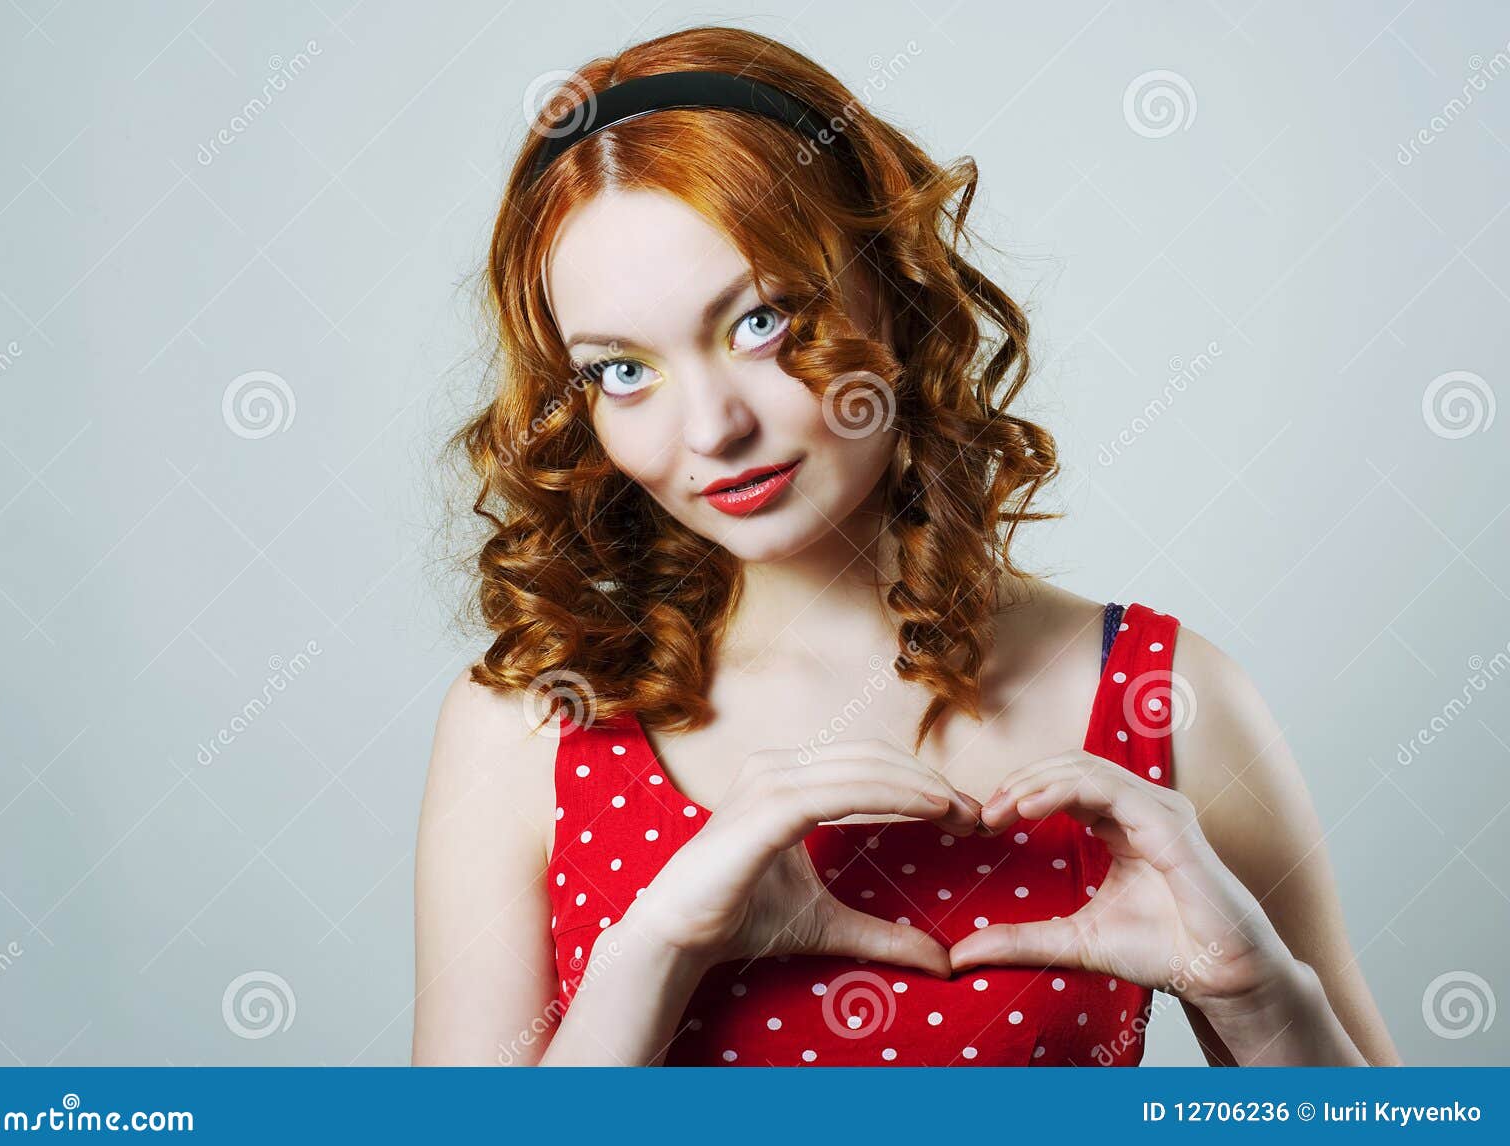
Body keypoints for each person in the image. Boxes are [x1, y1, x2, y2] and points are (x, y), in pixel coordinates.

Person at [412, 25, 1400, 1067]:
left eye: (759, 321)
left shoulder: (1161, 694)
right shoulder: (533, 721)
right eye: (622, 370)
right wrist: (654, 950)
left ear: (891, 282)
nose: (710, 429)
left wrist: (1257, 995)